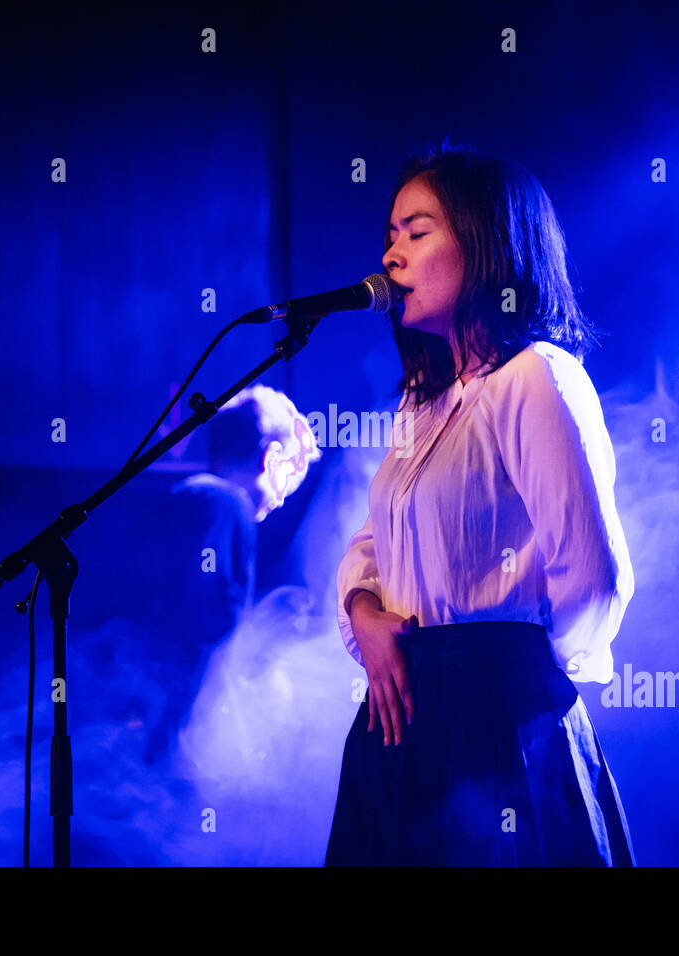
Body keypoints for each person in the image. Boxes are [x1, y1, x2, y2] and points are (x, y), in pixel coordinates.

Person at [325, 142, 637, 866]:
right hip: (400, 716)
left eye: (418, 230)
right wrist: (364, 617)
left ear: (487, 244)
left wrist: (513, 671)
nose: (392, 254)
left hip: (497, 713)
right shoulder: (422, 404)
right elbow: (369, 548)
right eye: (390, 235)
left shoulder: (534, 377)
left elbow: (593, 573)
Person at [138, 384, 320, 766]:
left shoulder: (195, 499)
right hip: (168, 713)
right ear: (270, 458)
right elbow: (201, 617)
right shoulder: (224, 502)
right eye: (292, 472)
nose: (286, 497)